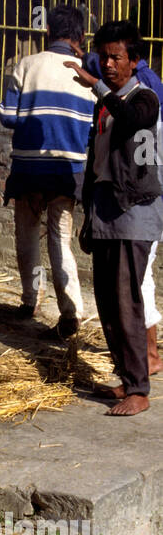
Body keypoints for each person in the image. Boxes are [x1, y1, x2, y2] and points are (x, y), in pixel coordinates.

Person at [72, 21, 163, 416]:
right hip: (107, 209)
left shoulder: (144, 98)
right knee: (108, 301)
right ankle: (127, 379)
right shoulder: (106, 103)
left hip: (135, 211)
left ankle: (140, 389)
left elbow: (130, 120)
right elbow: (98, 157)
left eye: (117, 58)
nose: (109, 64)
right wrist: (88, 210)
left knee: (127, 300)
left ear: (135, 61)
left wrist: (97, 85)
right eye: (105, 57)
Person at [0, 5, 96, 337]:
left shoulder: (27, 65)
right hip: (68, 169)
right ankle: (72, 310)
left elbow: (8, 116)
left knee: (26, 234)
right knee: (60, 239)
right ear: (81, 37)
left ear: (48, 32)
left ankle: (30, 299)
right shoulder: (89, 73)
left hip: (28, 166)